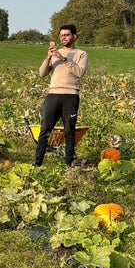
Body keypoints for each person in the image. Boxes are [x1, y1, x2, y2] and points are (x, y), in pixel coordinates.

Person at [34, 24, 87, 167]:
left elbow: (79, 72)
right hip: (53, 95)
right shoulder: (54, 54)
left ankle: (68, 164)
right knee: (44, 130)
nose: (64, 38)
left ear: (74, 36)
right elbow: (42, 73)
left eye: (67, 35)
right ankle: (37, 164)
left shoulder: (81, 54)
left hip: (70, 96)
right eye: (61, 35)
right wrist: (48, 58)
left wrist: (62, 58)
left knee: (69, 132)